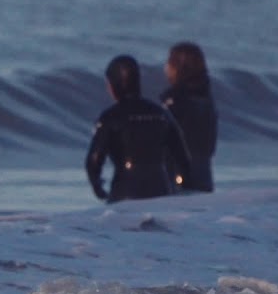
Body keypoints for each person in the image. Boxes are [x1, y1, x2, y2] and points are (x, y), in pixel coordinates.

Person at [85, 55, 192, 203]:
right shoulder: (161, 114)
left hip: (124, 191)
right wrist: (180, 184)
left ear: (113, 84)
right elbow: (183, 158)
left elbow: (94, 160)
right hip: (160, 189)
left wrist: (98, 188)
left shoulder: (110, 117)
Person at [160, 42, 217, 192]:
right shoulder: (206, 97)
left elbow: (166, 141)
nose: (166, 67)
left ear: (178, 67)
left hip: (179, 174)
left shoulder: (174, 100)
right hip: (204, 172)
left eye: (169, 62)